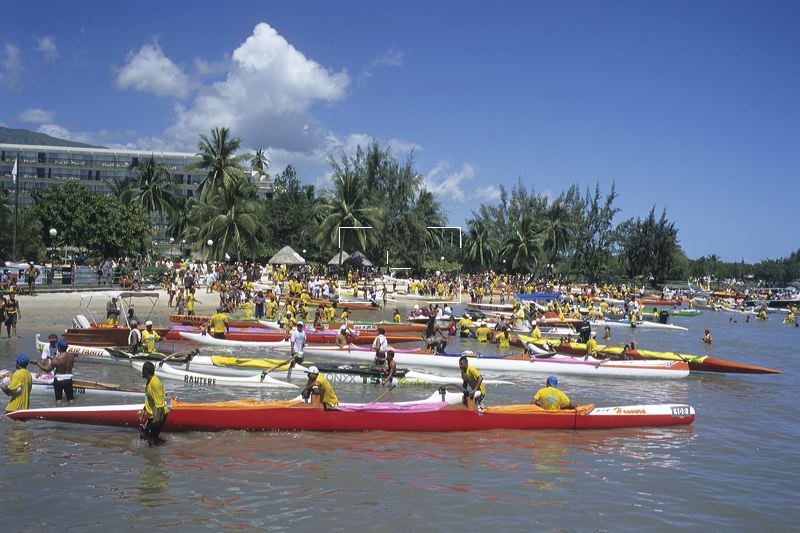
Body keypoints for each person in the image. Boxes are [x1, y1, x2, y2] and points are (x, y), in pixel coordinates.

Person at [33, 340, 75, 407]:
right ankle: (72, 412)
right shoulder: (72, 356)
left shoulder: (56, 360)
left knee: (58, 399)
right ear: (67, 347)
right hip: (68, 379)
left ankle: (59, 413)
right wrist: (51, 357)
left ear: (58, 348)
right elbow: (63, 360)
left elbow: (47, 369)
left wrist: (37, 363)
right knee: (70, 398)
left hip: (59, 380)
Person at [140, 361, 169, 447]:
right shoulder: (149, 382)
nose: (141, 372)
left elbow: (160, 404)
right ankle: (164, 444)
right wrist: (144, 409)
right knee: (144, 435)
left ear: (146, 371)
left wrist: (157, 420)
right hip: (153, 415)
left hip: (158, 416)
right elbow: (150, 399)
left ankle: (153, 458)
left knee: (149, 438)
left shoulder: (155, 383)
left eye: (142, 370)